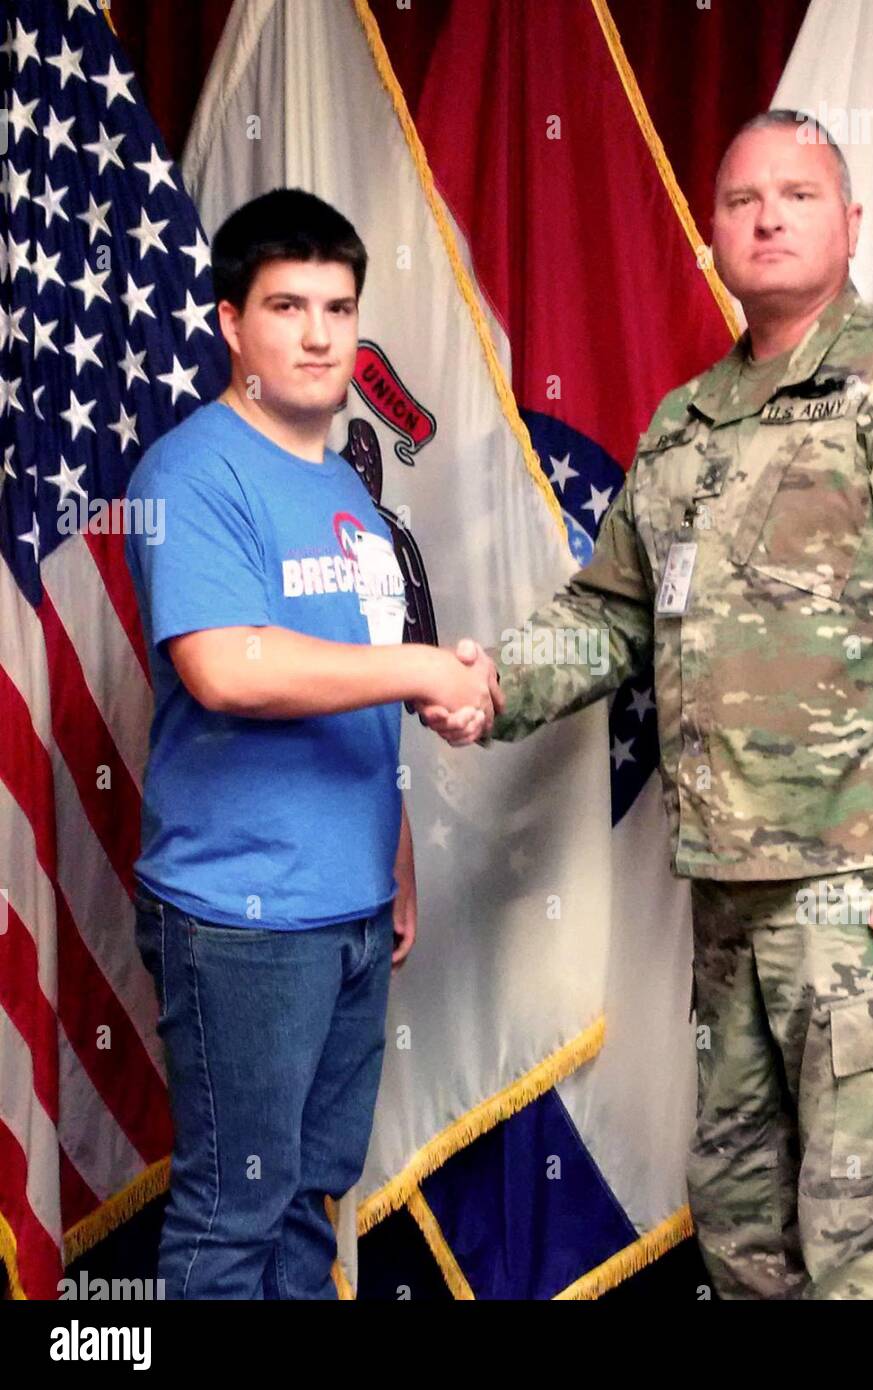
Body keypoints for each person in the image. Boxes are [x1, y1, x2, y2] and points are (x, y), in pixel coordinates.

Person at [423, 111, 873, 1298]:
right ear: (711, 232)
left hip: (865, 898)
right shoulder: (687, 422)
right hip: (726, 897)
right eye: (740, 200)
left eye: (796, 195)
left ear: (849, 223)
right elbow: (609, 612)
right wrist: (490, 684)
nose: (766, 218)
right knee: (739, 1226)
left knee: (860, 1242)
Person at [124, 187, 501, 1299]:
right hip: (241, 910)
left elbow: (353, 681)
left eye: (338, 308)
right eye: (286, 307)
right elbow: (229, 667)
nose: (319, 334)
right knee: (234, 1210)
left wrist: (392, 850)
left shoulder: (342, 484)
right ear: (231, 324)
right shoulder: (194, 473)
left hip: (348, 904)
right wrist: (427, 669)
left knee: (308, 1198)